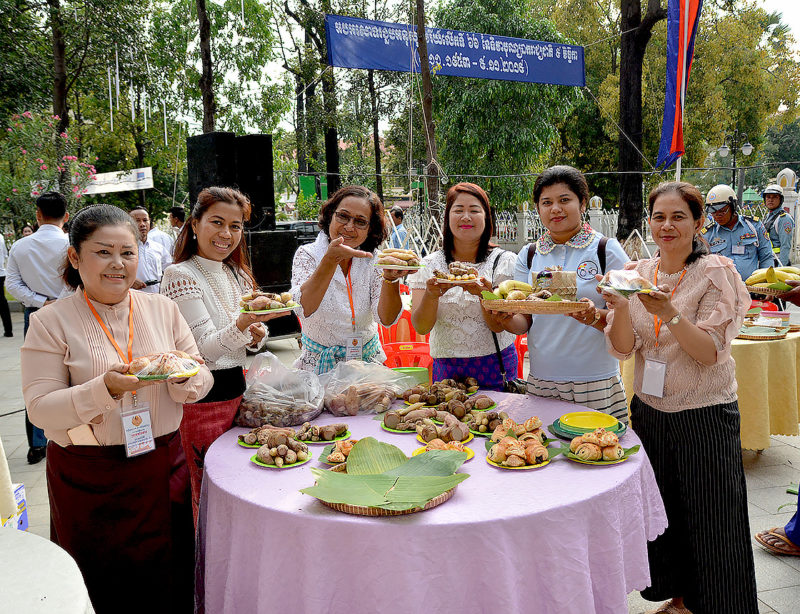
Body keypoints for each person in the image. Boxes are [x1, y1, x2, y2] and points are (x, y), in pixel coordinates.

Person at [21, 203, 213, 614]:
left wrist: (186, 380)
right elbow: (40, 409)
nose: (117, 264)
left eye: (127, 252)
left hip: (162, 466)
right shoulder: (49, 321)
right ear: (75, 256)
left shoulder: (162, 307)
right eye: (103, 252)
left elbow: (201, 374)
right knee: (102, 582)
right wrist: (103, 388)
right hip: (90, 473)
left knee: (170, 575)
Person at [601, 181, 757, 614]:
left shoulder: (716, 272)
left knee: (713, 519)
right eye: (659, 217)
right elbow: (624, 346)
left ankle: (721, 606)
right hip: (650, 411)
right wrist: (616, 307)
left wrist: (668, 312)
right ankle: (681, 599)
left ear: (698, 222)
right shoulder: (636, 272)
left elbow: (710, 353)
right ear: (649, 222)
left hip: (704, 412)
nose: (666, 226)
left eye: (678, 217)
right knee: (663, 513)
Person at [161, 186, 286, 519]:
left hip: (237, 394)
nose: (226, 234)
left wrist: (257, 333)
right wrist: (244, 324)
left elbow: (247, 342)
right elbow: (204, 351)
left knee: (241, 486)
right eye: (217, 222)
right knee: (207, 494)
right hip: (201, 401)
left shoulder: (237, 272)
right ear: (195, 223)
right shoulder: (180, 275)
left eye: (236, 226)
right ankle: (208, 566)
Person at [496, 166, 630, 422]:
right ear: (538, 209)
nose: (555, 209)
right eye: (547, 202)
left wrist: (593, 315)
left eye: (564, 200)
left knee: (598, 454)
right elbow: (525, 319)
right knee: (542, 454)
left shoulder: (605, 249)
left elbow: (629, 314)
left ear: (582, 203)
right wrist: (502, 317)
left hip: (596, 379)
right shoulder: (530, 254)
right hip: (542, 379)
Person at [409, 182, 518, 390]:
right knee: (448, 420)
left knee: (497, 421)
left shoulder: (503, 262)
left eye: (474, 210)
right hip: (447, 368)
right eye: (458, 210)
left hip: (496, 364)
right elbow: (421, 327)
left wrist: (484, 295)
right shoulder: (429, 265)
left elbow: (498, 326)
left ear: (486, 217)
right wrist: (431, 295)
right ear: (447, 218)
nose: (466, 217)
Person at [291, 185, 409, 374]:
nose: (349, 227)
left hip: (368, 368)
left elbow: (386, 319)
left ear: (371, 229)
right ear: (330, 215)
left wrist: (391, 280)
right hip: (318, 368)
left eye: (361, 222)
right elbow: (303, 308)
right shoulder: (308, 255)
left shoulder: (376, 260)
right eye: (343, 216)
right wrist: (330, 259)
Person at [6, 192, 70, 464]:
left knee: (36, 379)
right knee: (73, 373)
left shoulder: (21, 246)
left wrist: (41, 301)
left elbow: (11, 284)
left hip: (37, 314)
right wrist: (62, 300)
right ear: (66, 216)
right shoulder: (72, 243)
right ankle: (69, 434)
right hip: (71, 314)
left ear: (38, 214)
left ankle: (37, 444)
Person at [701, 183, 772, 282]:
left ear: (733, 206)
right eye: (713, 212)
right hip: (722, 292)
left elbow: (766, 257)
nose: (717, 216)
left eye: (722, 211)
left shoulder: (754, 226)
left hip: (752, 290)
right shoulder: (707, 234)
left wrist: (768, 283)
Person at [129, 206, 172, 293]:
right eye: (137, 220)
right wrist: (130, 281)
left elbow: (170, 269)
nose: (142, 224)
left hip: (157, 297)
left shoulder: (158, 248)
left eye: (145, 220)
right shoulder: (122, 248)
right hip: (133, 299)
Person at [762, 183, 793, 266]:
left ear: (780, 200)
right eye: (768, 197)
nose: (770, 200)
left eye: (775, 197)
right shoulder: (768, 216)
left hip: (778, 261)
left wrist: (781, 268)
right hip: (768, 260)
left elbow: (785, 245)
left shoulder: (784, 218)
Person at [0, 236, 12, 337]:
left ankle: (8, 330)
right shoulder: (1, 237)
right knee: (2, 302)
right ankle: (8, 330)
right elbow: (5, 255)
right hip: (1, 273)